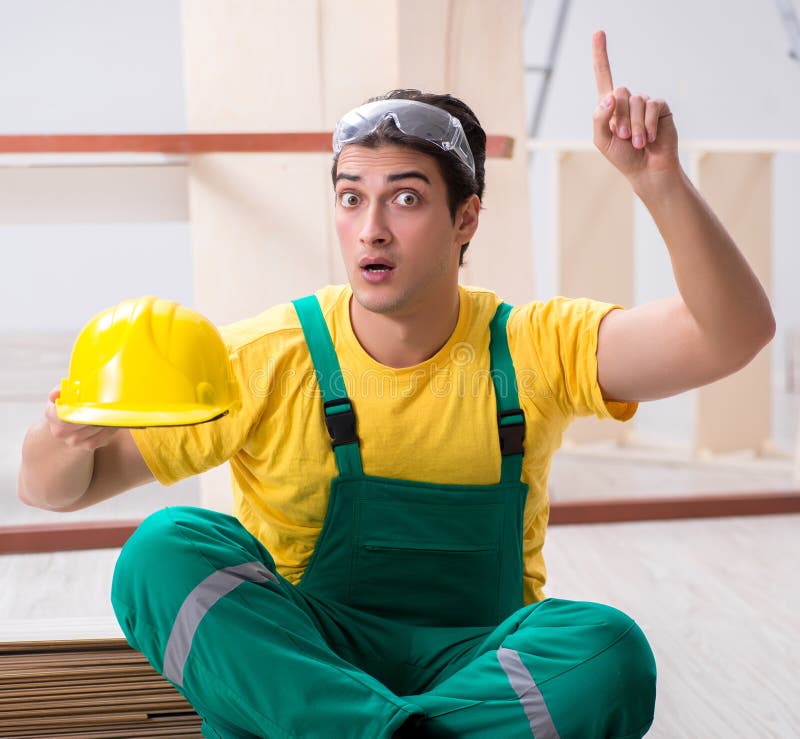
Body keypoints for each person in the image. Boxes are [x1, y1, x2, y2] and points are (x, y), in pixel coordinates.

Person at [18, 31, 773, 738]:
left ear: (465, 217)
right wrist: (61, 435)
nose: (371, 227)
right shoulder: (271, 355)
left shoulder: (534, 346)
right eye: (352, 197)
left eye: (406, 198)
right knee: (163, 548)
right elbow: (57, 490)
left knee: (608, 648)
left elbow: (732, 333)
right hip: (305, 655)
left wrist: (660, 182)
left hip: (472, 665)